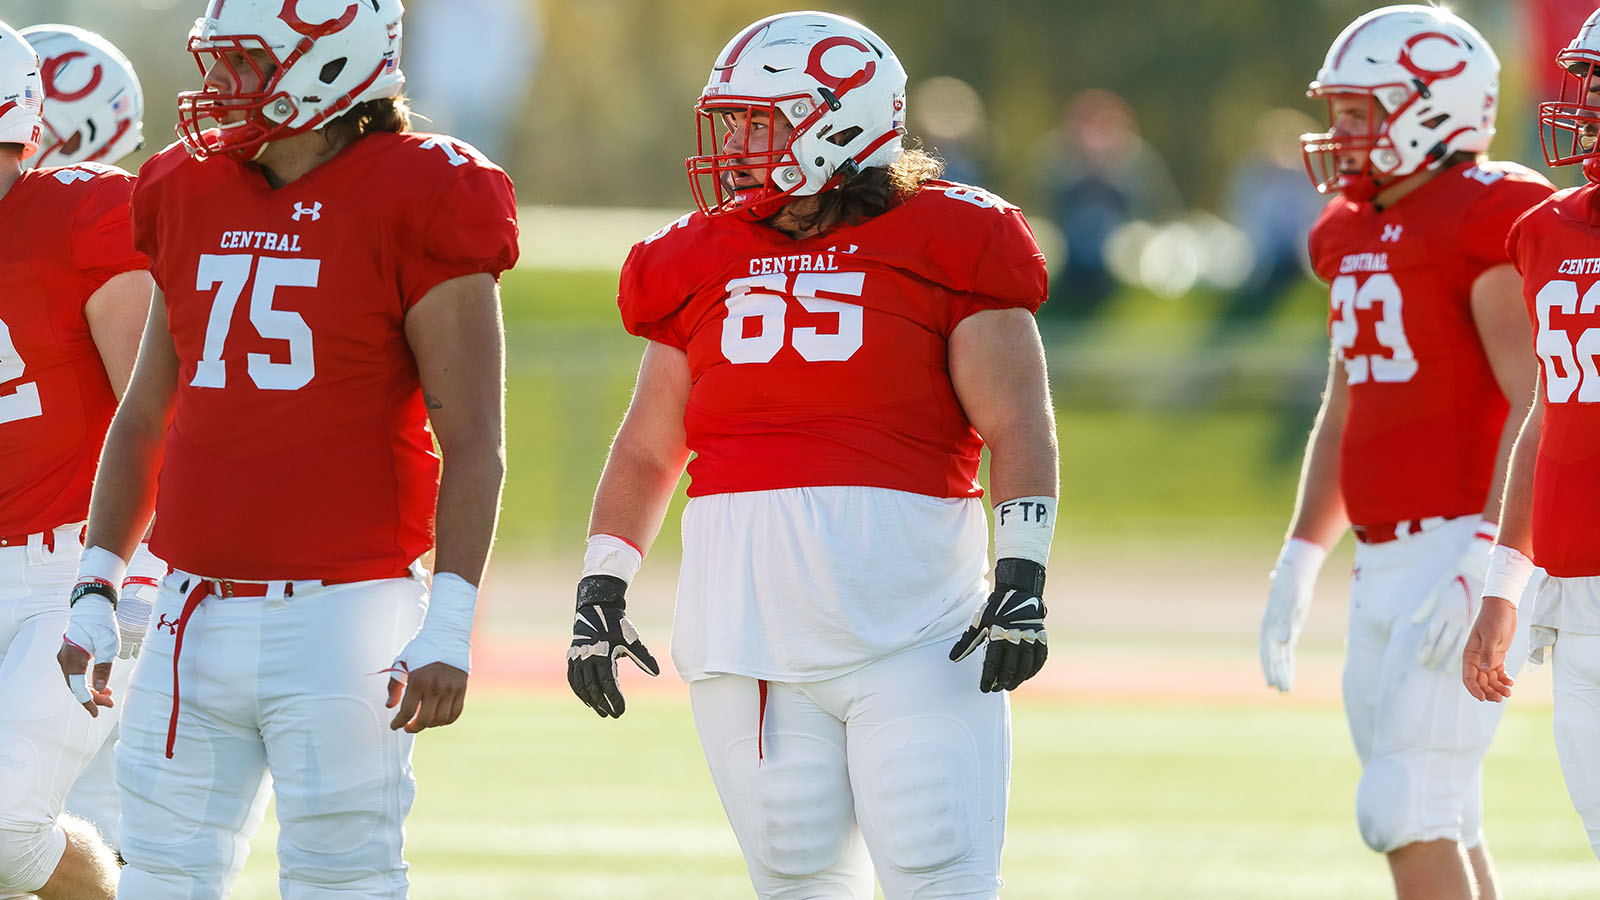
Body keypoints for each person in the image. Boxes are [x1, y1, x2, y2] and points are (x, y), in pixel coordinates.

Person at [565, 12, 1056, 900]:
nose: (740, 144)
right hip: (744, 634)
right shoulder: (696, 256)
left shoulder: (954, 238)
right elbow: (648, 446)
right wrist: (602, 584)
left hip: (914, 630)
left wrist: (1023, 572)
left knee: (938, 864)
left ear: (837, 119)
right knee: (794, 880)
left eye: (761, 121)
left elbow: (1018, 422)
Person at [52, 0, 519, 896]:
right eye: (216, 63)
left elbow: (475, 440)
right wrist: (96, 578)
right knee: (157, 877)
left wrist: (451, 620)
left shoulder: (425, 188)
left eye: (242, 64)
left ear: (330, 66)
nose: (216, 87)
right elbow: (148, 409)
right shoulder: (183, 185)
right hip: (192, 607)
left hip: (346, 613)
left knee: (343, 879)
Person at [1258, 6, 1552, 899]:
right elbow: (1348, 405)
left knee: (1401, 808)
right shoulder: (1347, 230)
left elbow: (1535, 400)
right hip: (1384, 556)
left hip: (1461, 538)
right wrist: (1303, 552)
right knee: (1439, 808)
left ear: (1432, 109)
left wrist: (1490, 557)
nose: (1339, 134)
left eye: (1359, 112)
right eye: (1338, 111)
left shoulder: (1485, 216)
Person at [0, 20, 155, 900]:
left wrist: (141, 565)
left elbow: (158, 410)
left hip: (67, 569)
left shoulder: (81, 214)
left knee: (6, 829)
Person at [1465, 4, 1600, 862]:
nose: (1583, 104)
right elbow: (1549, 415)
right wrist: (1504, 581)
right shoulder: (1546, 229)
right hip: (1577, 581)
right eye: (1587, 83)